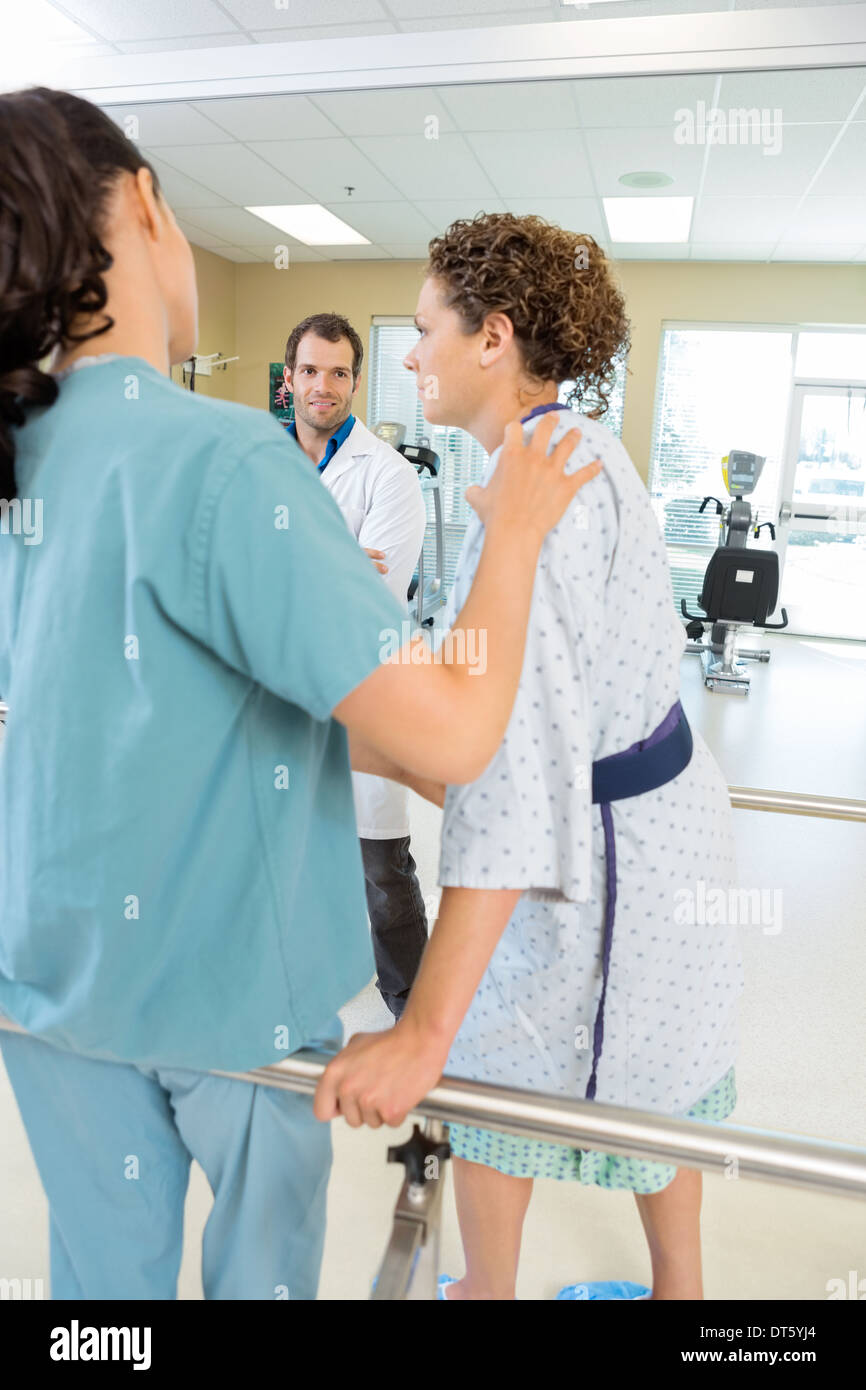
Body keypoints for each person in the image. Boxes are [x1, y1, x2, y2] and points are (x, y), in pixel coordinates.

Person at [0, 89, 601, 1300]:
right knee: (261, 1278)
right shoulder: (219, 456)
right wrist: (518, 535)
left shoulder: (27, 451)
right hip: (230, 1006)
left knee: (99, 1297)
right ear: (149, 210)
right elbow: (458, 729)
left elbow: (115, 707)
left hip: (49, 991)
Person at [314, 212, 745, 1302]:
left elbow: (508, 772)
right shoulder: (556, 452)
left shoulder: (542, 489)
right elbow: (495, 699)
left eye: (422, 331)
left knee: (497, 1062)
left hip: (605, 853)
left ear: (492, 337)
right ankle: (667, 1295)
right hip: (643, 821)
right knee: (657, 1065)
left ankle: (492, 1293)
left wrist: (420, 1027)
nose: (407, 356)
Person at [282, 312, 429, 1019]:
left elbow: (368, 604)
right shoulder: (259, 462)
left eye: (339, 372)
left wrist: (281, 571)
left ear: (356, 382)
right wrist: (333, 559)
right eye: (310, 370)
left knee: (381, 871)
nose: (324, 385)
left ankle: (415, 1009)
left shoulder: (391, 476)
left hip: (363, 696)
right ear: (289, 380)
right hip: (275, 698)